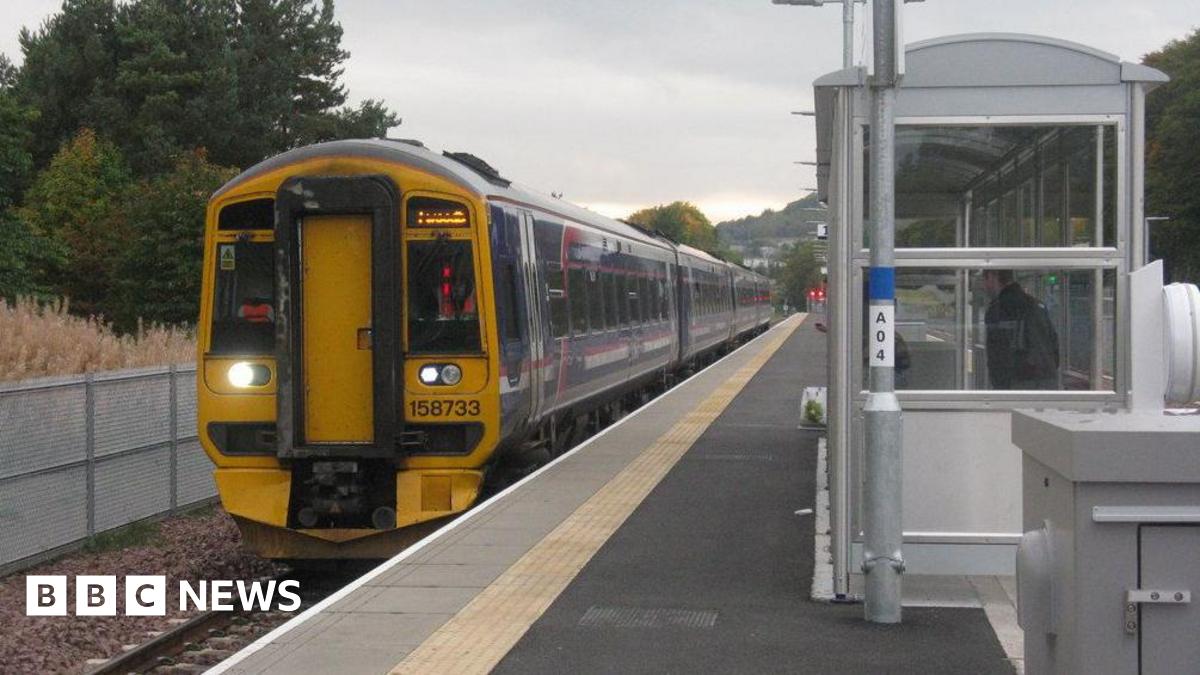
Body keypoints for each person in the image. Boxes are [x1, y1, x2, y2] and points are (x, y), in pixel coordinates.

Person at [982, 270, 1059, 389]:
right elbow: (1054, 345)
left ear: (992, 277)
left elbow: (997, 355)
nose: (985, 286)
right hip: (1048, 381)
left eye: (985, 280)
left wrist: (1000, 388)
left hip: (1018, 383)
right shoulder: (1038, 305)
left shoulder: (998, 308)